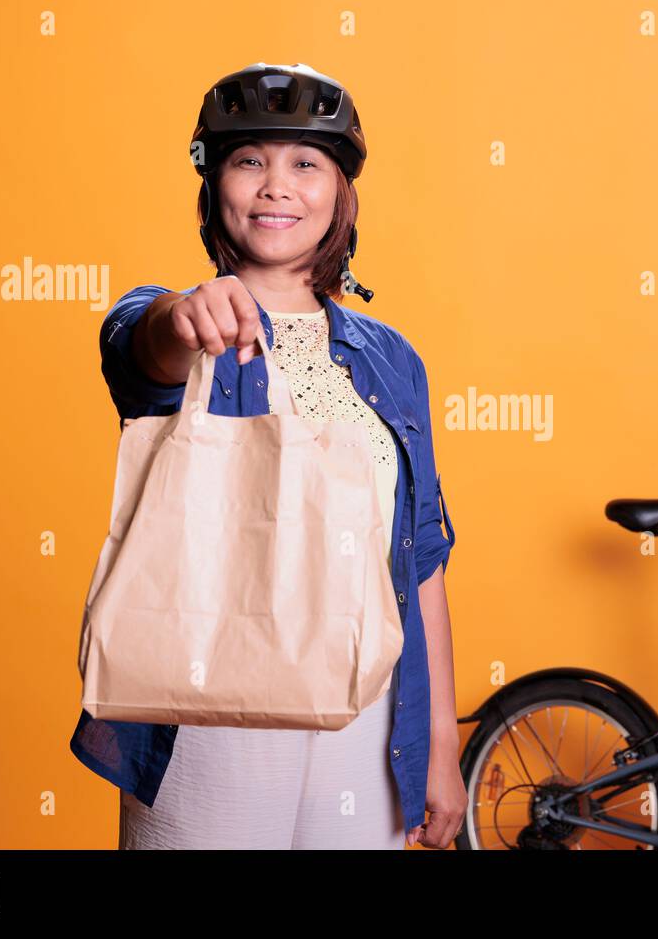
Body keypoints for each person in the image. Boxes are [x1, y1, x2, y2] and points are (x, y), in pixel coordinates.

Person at [69, 62, 467, 849]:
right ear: (215, 184)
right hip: (207, 714)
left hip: (368, 719)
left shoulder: (393, 362)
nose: (276, 186)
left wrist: (443, 749)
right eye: (250, 160)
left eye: (305, 164)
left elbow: (421, 561)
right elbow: (141, 347)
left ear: (340, 194)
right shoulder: (183, 322)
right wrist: (184, 317)